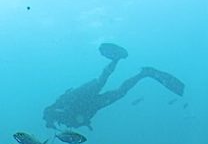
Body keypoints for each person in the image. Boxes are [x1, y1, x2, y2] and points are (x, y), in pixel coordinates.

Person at [43, 43, 186, 130]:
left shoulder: (54, 111)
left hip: (82, 97)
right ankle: (143, 73)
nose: (51, 124)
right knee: (118, 91)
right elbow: (75, 117)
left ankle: (118, 59)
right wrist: (84, 122)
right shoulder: (61, 118)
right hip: (92, 105)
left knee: (103, 81)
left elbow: (54, 111)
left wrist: (56, 119)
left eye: (49, 122)